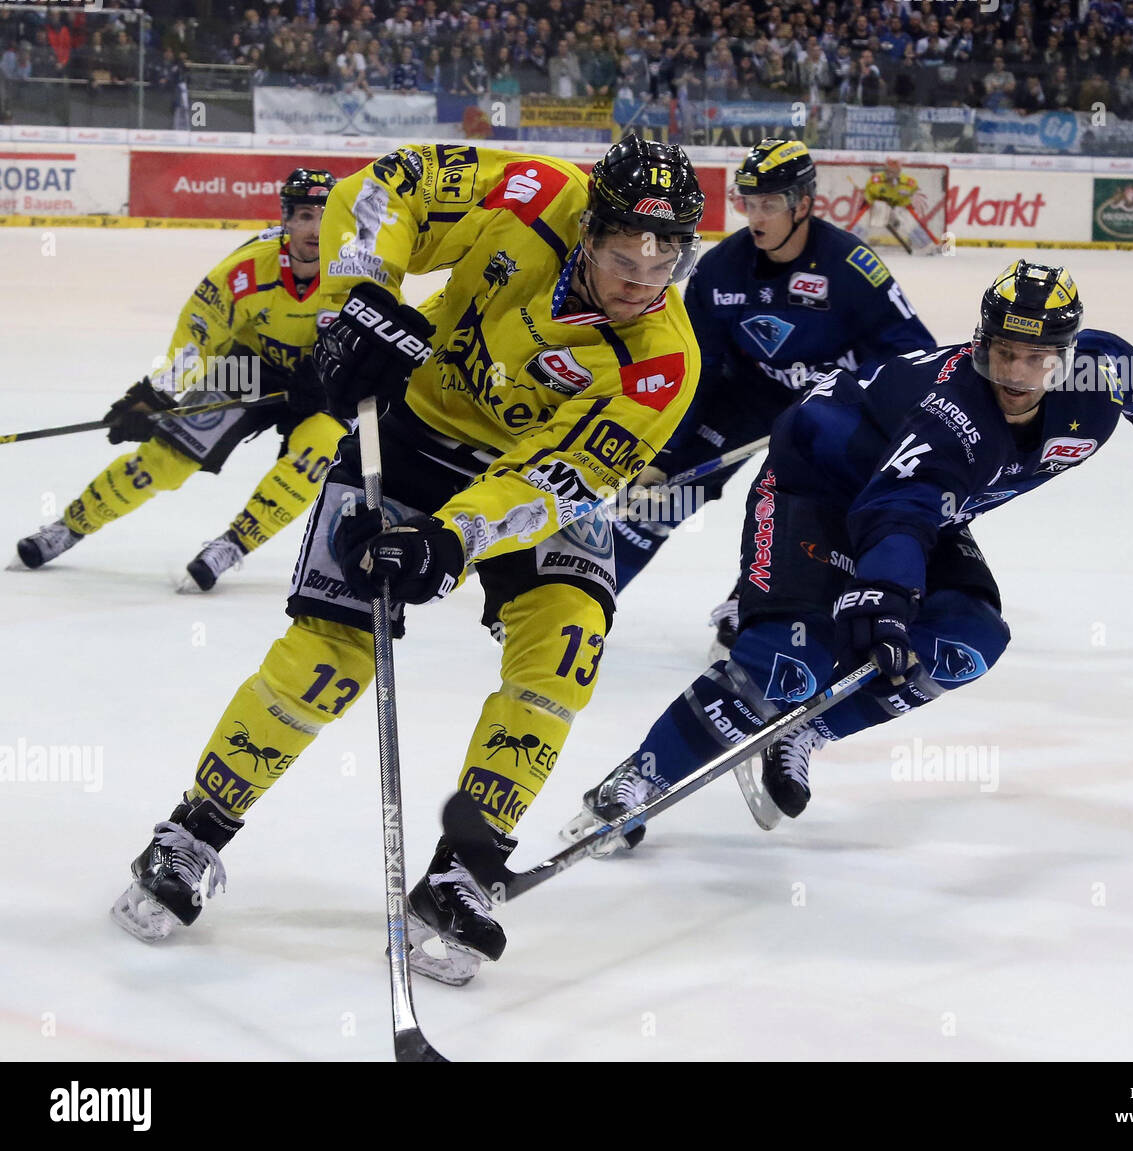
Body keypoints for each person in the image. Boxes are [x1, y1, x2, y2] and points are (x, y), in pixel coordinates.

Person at [109, 136, 706, 987]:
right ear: (589, 228)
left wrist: (451, 539)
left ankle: (464, 866)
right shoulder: (536, 191)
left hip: (523, 487)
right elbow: (393, 185)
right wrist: (361, 299)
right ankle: (194, 831)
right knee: (333, 653)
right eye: (621, 257)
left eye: (665, 262)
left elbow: (559, 477)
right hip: (413, 430)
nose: (640, 282)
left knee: (568, 643)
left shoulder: (664, 361)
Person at [567, 261, 1133, 848]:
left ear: (1067, 356)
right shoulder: (956, 414)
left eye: (1037, 358)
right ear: (980, 344)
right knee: (788, 662)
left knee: (970, 639)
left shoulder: (1100, 374)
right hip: (816, 483)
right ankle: (639, 778)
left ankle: (809, 731)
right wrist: (882, 599)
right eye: (1003, 354)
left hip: (916, 508)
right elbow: (898, 515)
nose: (1018, 375)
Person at [609, 138, 935, 653]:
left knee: (797, 510)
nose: (755, 216)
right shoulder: (720, 269)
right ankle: (581, 593)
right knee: (662, 494)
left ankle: (752, 606)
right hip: (747, 396)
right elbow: (696, 369)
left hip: (830, 406)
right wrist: (664, 452)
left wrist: (845, 401)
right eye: (748, 202)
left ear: (803, 205)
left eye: (769, 204)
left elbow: (915, 355)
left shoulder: (851, 267)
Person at [13, 170, 345, 593]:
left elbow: (380, 339)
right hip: (249, 366)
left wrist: (334, 374)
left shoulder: (358, 271)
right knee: (167, 459)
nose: (315, 229)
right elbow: (198, 337)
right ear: (285, 219)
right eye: (303, 215)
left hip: (325, 382)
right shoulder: (244, 271)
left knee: (317, 455)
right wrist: (156, 396)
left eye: (325, 215)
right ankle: (69, 527)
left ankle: (232, 545)